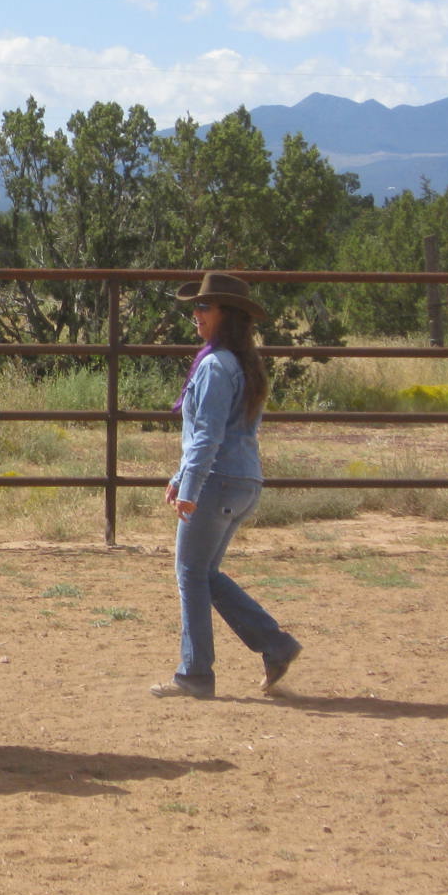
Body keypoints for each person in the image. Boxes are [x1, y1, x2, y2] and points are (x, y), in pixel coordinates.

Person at [152, 272, 302, 699]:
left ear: (226, 315)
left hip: (217, 481)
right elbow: (233, 431)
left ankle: (195, 674)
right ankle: (275, 645)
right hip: (243, 481)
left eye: (204, 307)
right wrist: (182, 477)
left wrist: (190, 486)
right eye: (196, 307)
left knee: (189, 573)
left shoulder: (217, 366)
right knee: (203, 573)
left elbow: (208, 435)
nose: (195, 314)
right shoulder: (242, 364)